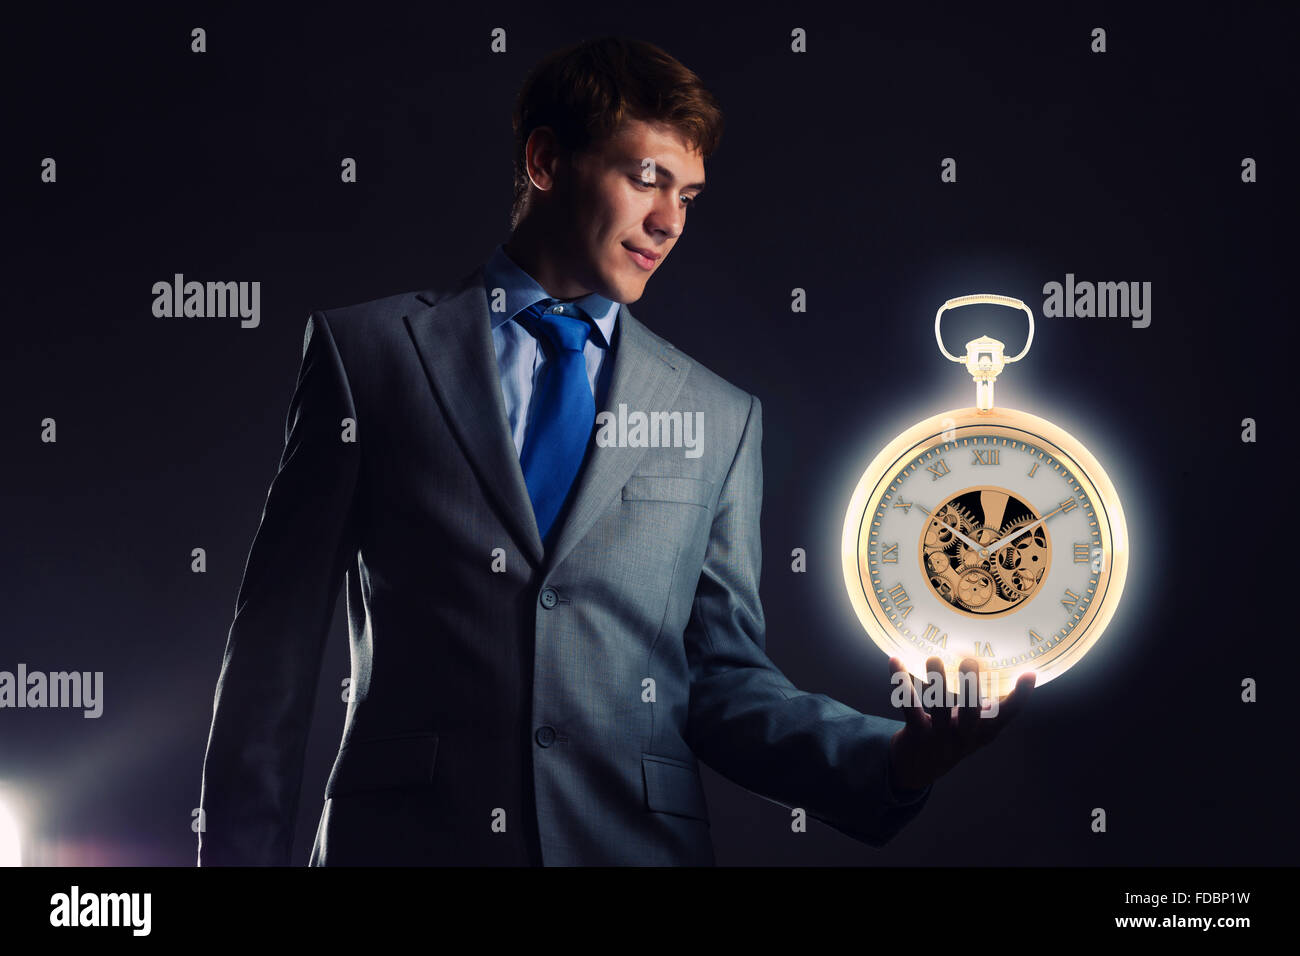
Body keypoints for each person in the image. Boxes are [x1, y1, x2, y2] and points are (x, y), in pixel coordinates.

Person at [198, 35, 1034, 867]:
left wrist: (897, 758)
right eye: (645, 178)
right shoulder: (368, 355)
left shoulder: (719, 415)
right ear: (545, 161)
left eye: (688, 196)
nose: (669, 221)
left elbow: (722, 684)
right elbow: (272, 659)